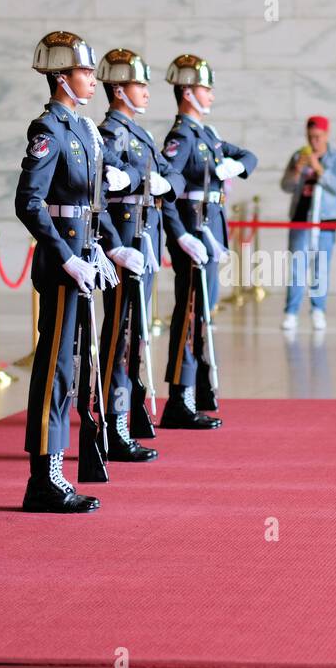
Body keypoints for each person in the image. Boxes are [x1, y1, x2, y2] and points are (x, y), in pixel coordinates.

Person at [15, 31, 137, 509]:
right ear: (63, 78)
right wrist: (66, 256)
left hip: (85, 260)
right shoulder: (47, 130)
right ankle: (43, 476)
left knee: (78, 366)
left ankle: (63, 464)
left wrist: (108, 248)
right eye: (86, 73)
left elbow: (94, 203)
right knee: (56, 368)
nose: (92, 80)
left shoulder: (82, 131)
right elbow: (30, 202)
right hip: (64, 265)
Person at [159, 54, 258, 427]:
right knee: (189, 315)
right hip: (194, 236)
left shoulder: (207, 134)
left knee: (203, 314)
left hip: (211, 234)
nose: (211, 94)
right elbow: (167, 192)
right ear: (187, 92)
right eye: (205, 87)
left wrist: (238, 165)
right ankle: (179, 398)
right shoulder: (181, 138)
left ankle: (199, 386)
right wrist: (181, 235)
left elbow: (249, 155)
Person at [96, 47, 184, 461]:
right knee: (121, 333)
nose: (147, 92)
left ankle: (127, 414)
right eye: (139, 84)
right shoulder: (110, 134)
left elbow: (173, 176)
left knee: (135, 334)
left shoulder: (142, 133)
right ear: (117, 89)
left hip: (144, 243)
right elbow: (105, 193)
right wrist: (114, 247)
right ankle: (112, 425)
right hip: (127, 246)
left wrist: (165, 184)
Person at [281, 115, 336, 332]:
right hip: (300, 218)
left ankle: (318, 310)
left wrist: (318, 168)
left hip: (325, 219)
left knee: (320, 268)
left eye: (318, 137)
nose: (314, 142)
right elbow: (286, 185)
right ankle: (291, 313)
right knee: (297, 267)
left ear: (326, 135)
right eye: (310, 137)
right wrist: (297, 169)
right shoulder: (298, 155)